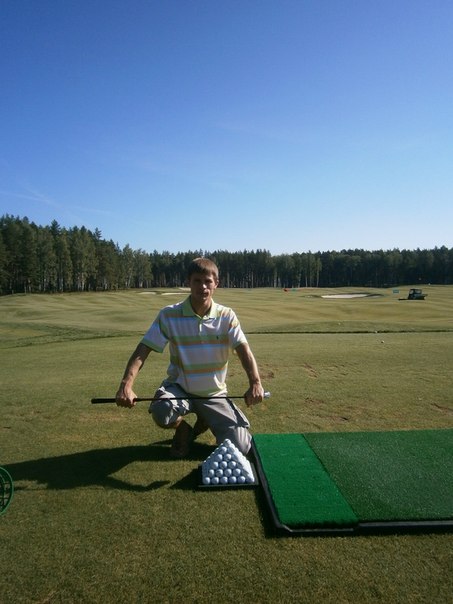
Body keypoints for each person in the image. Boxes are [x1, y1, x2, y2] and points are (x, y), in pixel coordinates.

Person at [115, 257, 265, 458]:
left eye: (208, 281)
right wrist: (126, 385)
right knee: (161, 409)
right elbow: (143, 350)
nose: (202, 286)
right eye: (197, 281)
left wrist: (255, 383)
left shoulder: (227, 316)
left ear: (216, 284)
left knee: (241, 446)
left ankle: (206, 417)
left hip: (214, 393)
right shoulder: (169, 315)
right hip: (179, 389)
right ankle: (183, 429)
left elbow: (243, 350)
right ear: (189, 282)